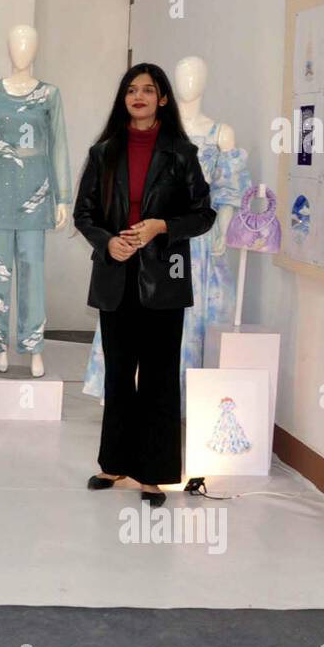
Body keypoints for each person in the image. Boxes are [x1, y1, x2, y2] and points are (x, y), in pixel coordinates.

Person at [72, 63, 217, 507]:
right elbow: (84, 214)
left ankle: (152, 474)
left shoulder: (181, 153)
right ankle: (113, 464)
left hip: (164, 279)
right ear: (123, 98)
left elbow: (203, 214)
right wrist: (106, 242)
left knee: (156, 377)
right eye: (131, 89)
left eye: (148, 90)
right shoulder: (103, 153)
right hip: (116, 276)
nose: (138, 96)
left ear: (162, 99)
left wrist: (161, 227)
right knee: (118, 373)